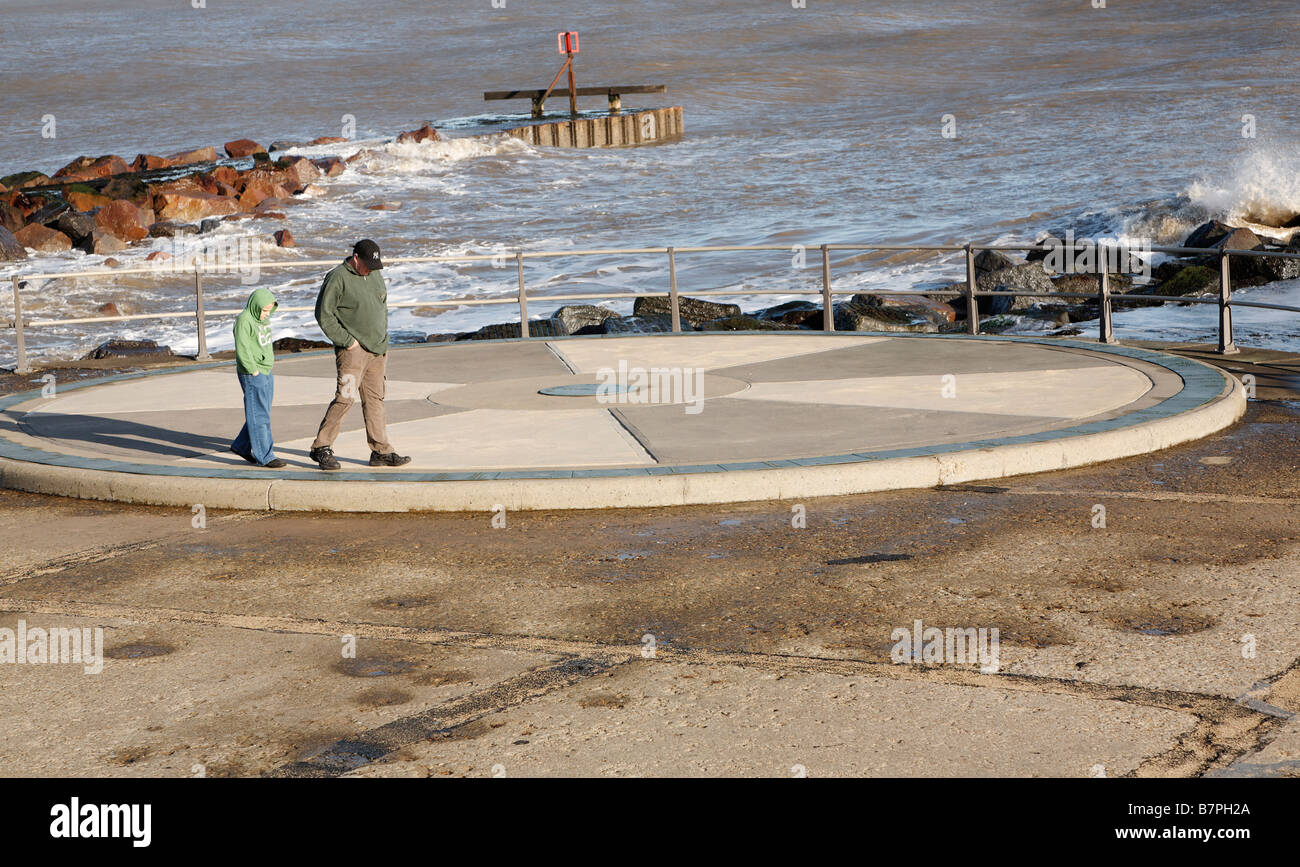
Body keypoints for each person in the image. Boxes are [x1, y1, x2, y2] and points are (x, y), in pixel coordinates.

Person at [308, 239, 411, 470]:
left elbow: (381, 305)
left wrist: (383, 340)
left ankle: (380, 451)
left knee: (376, 401)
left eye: (375, 265)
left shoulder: (374, 273)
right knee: (345, 398)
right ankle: (321, 448)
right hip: (352, 353)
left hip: (377, 351)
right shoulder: (337, 277)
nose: (371, 269)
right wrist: (347, 341)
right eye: (367, 265)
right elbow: (323, 315)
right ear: (356, 258)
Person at [230, 287, 287, 469]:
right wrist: (253, 370)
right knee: (260, 414)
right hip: (253, 372)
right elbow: (242, 348)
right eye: (264, 310)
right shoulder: (244, 320)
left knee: (260, 412)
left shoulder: (263, 319)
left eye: (269, 310)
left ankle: (241, 445)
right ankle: (265, 456)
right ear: (256, 306)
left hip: (266, 369)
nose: (266, 314)